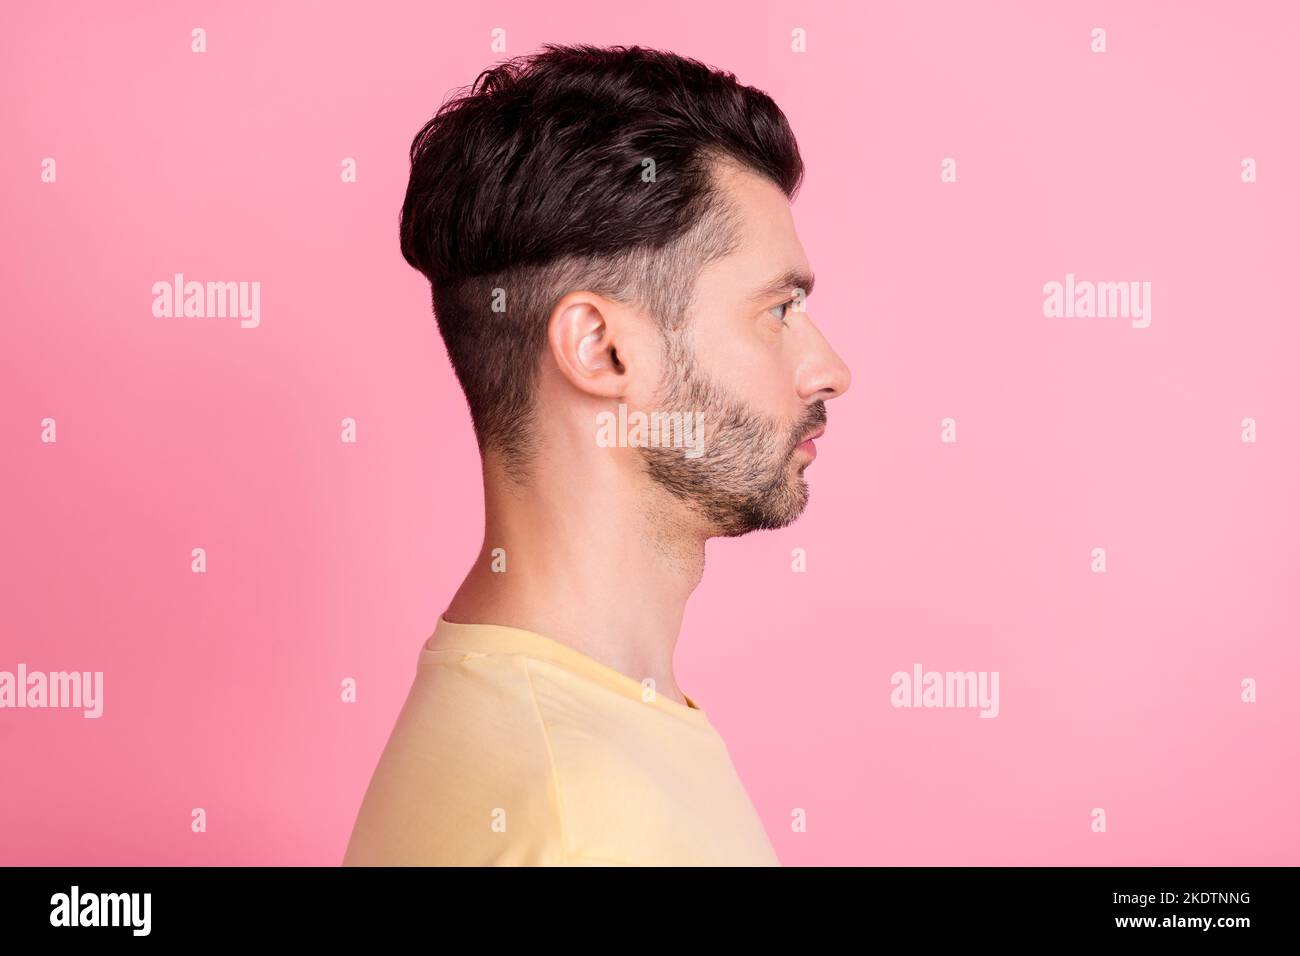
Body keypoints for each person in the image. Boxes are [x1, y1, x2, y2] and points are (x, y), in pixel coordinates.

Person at [343, 43, 850, 866]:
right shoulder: (589, 813)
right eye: (779, 309)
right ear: (602, 349)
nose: (830, 369)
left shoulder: (567, 722)